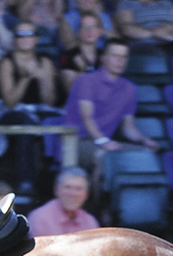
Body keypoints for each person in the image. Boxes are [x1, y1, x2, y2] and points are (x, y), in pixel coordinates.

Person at [63, 38, 157, 190]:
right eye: (115, 56)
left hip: (105, 142)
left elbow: (128, 127)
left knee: (145, 154)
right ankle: (97, 203)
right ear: (104, 58)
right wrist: (103, 141)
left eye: (124, 56)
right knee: (105, 157)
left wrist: (145, 140)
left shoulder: (129, 88)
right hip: (76, 141)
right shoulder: (87, 80)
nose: (120, 61)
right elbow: (87, 118)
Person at [0, 20, 57, 193]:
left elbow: (49, 102)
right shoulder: (6, 62)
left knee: (55, 122)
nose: (25, 38)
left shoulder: (45, 61)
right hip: (11, 112)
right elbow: (10, 102)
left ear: (36, 38)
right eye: (20, 35)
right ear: (14, 39)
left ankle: (51, 180)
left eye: (30, 34)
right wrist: (25, 78)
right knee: (25, 123)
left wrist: (43, 80)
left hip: (39, 110)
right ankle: (25, 181)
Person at [28, 167, 98, 236]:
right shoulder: (39, 218)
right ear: (56, 190)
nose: (72, 194)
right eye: (67, 187)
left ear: (86, 194)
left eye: (78, 188)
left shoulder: (90, 222)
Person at [58, 10, 109, 93]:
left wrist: (83, 71)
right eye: (84, 27)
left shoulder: (105, 56)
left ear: (100, 31)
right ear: (78, 32)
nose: (89, 31)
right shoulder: (68, 56)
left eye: (93, 27)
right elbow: (71, 90)